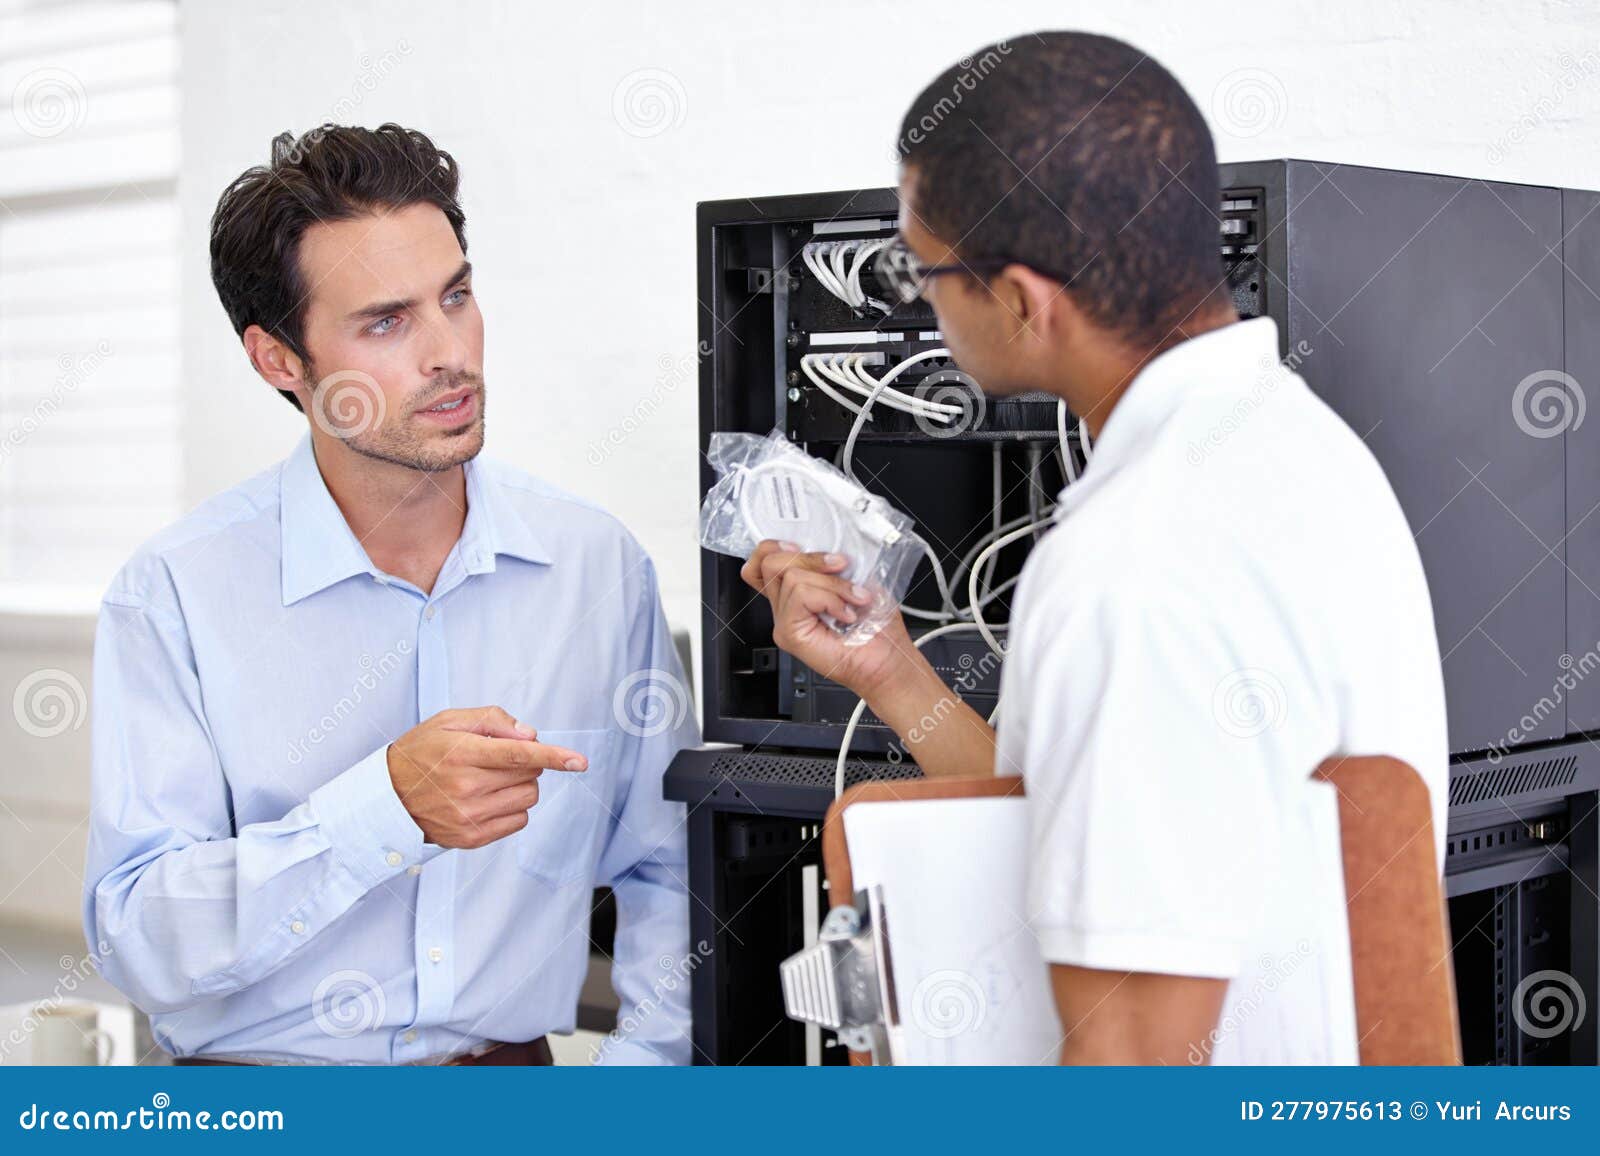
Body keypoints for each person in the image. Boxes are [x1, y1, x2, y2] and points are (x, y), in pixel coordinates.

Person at [741, 33, 1447, 1064]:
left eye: (924, 269)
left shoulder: (1137, 557)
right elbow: (1097, 826)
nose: (925, 304)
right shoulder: (1302, 453)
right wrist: (891, 674)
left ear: (1023, 300)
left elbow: (1130, 1065)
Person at [83, 125, 695, 1065]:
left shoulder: (596, 569)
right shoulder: (173, 593)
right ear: (279, 360)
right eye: (386, 322)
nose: (449, 352)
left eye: (456, 296)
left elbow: (668, 872)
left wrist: (639, 1083)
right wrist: (383, 811)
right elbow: (140, 933)